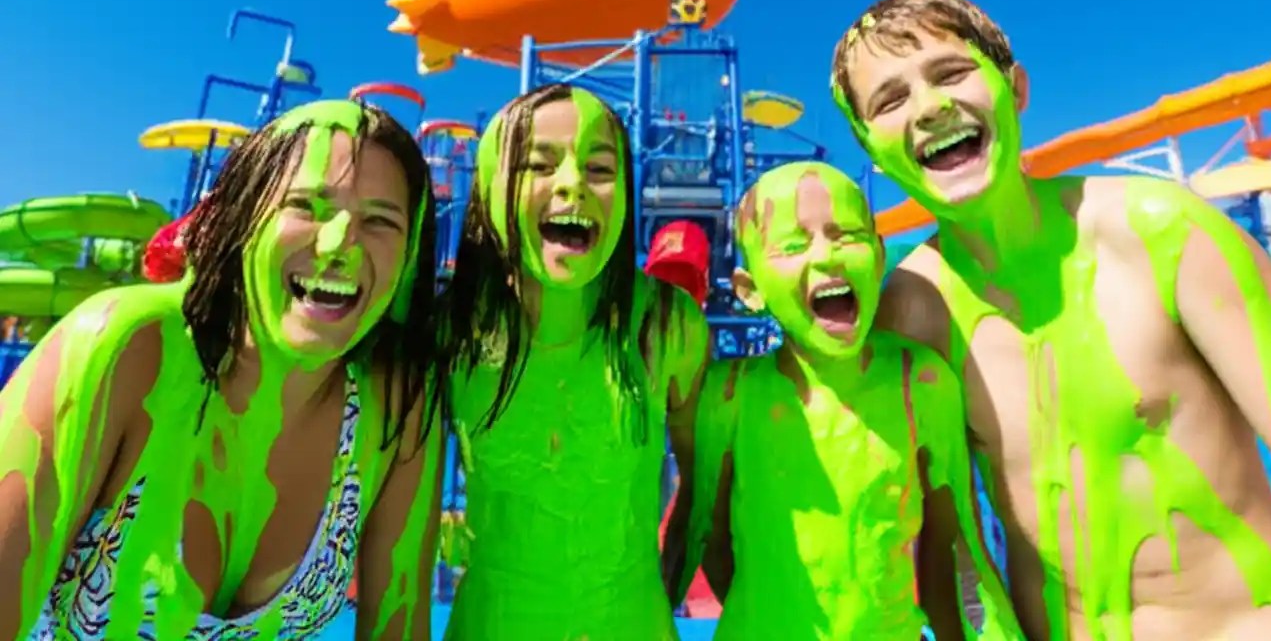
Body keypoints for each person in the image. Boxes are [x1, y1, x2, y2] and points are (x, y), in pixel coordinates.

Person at [830, 0, 1271, 640]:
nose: (930, 107)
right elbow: (943, 548)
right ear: (873, 150)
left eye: (951, 73)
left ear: (1015, 89)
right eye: (890, 100)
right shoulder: (911, 313)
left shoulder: (1165, 234)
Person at [0, 99, 445, 640]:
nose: (339, 245)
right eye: (306, 207)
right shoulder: (129, 348)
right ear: (243, 220)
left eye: (380, 220)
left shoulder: (394, 406)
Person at [675, 161, 1022, 640]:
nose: (827, 257)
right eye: (793, 245)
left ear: (879, 259)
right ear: (749, 290)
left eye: (846, 235)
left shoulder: (918, 382)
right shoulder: (730, 392)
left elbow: (956, 543)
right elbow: (701, 535)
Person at [431, 83, 709, 640]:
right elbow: (405, 524)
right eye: (539, 164)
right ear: (489, 188)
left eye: (600, 169)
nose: (572, 184)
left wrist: (662, 592)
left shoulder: (667, 326)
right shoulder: (451, 330)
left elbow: (700, 486)